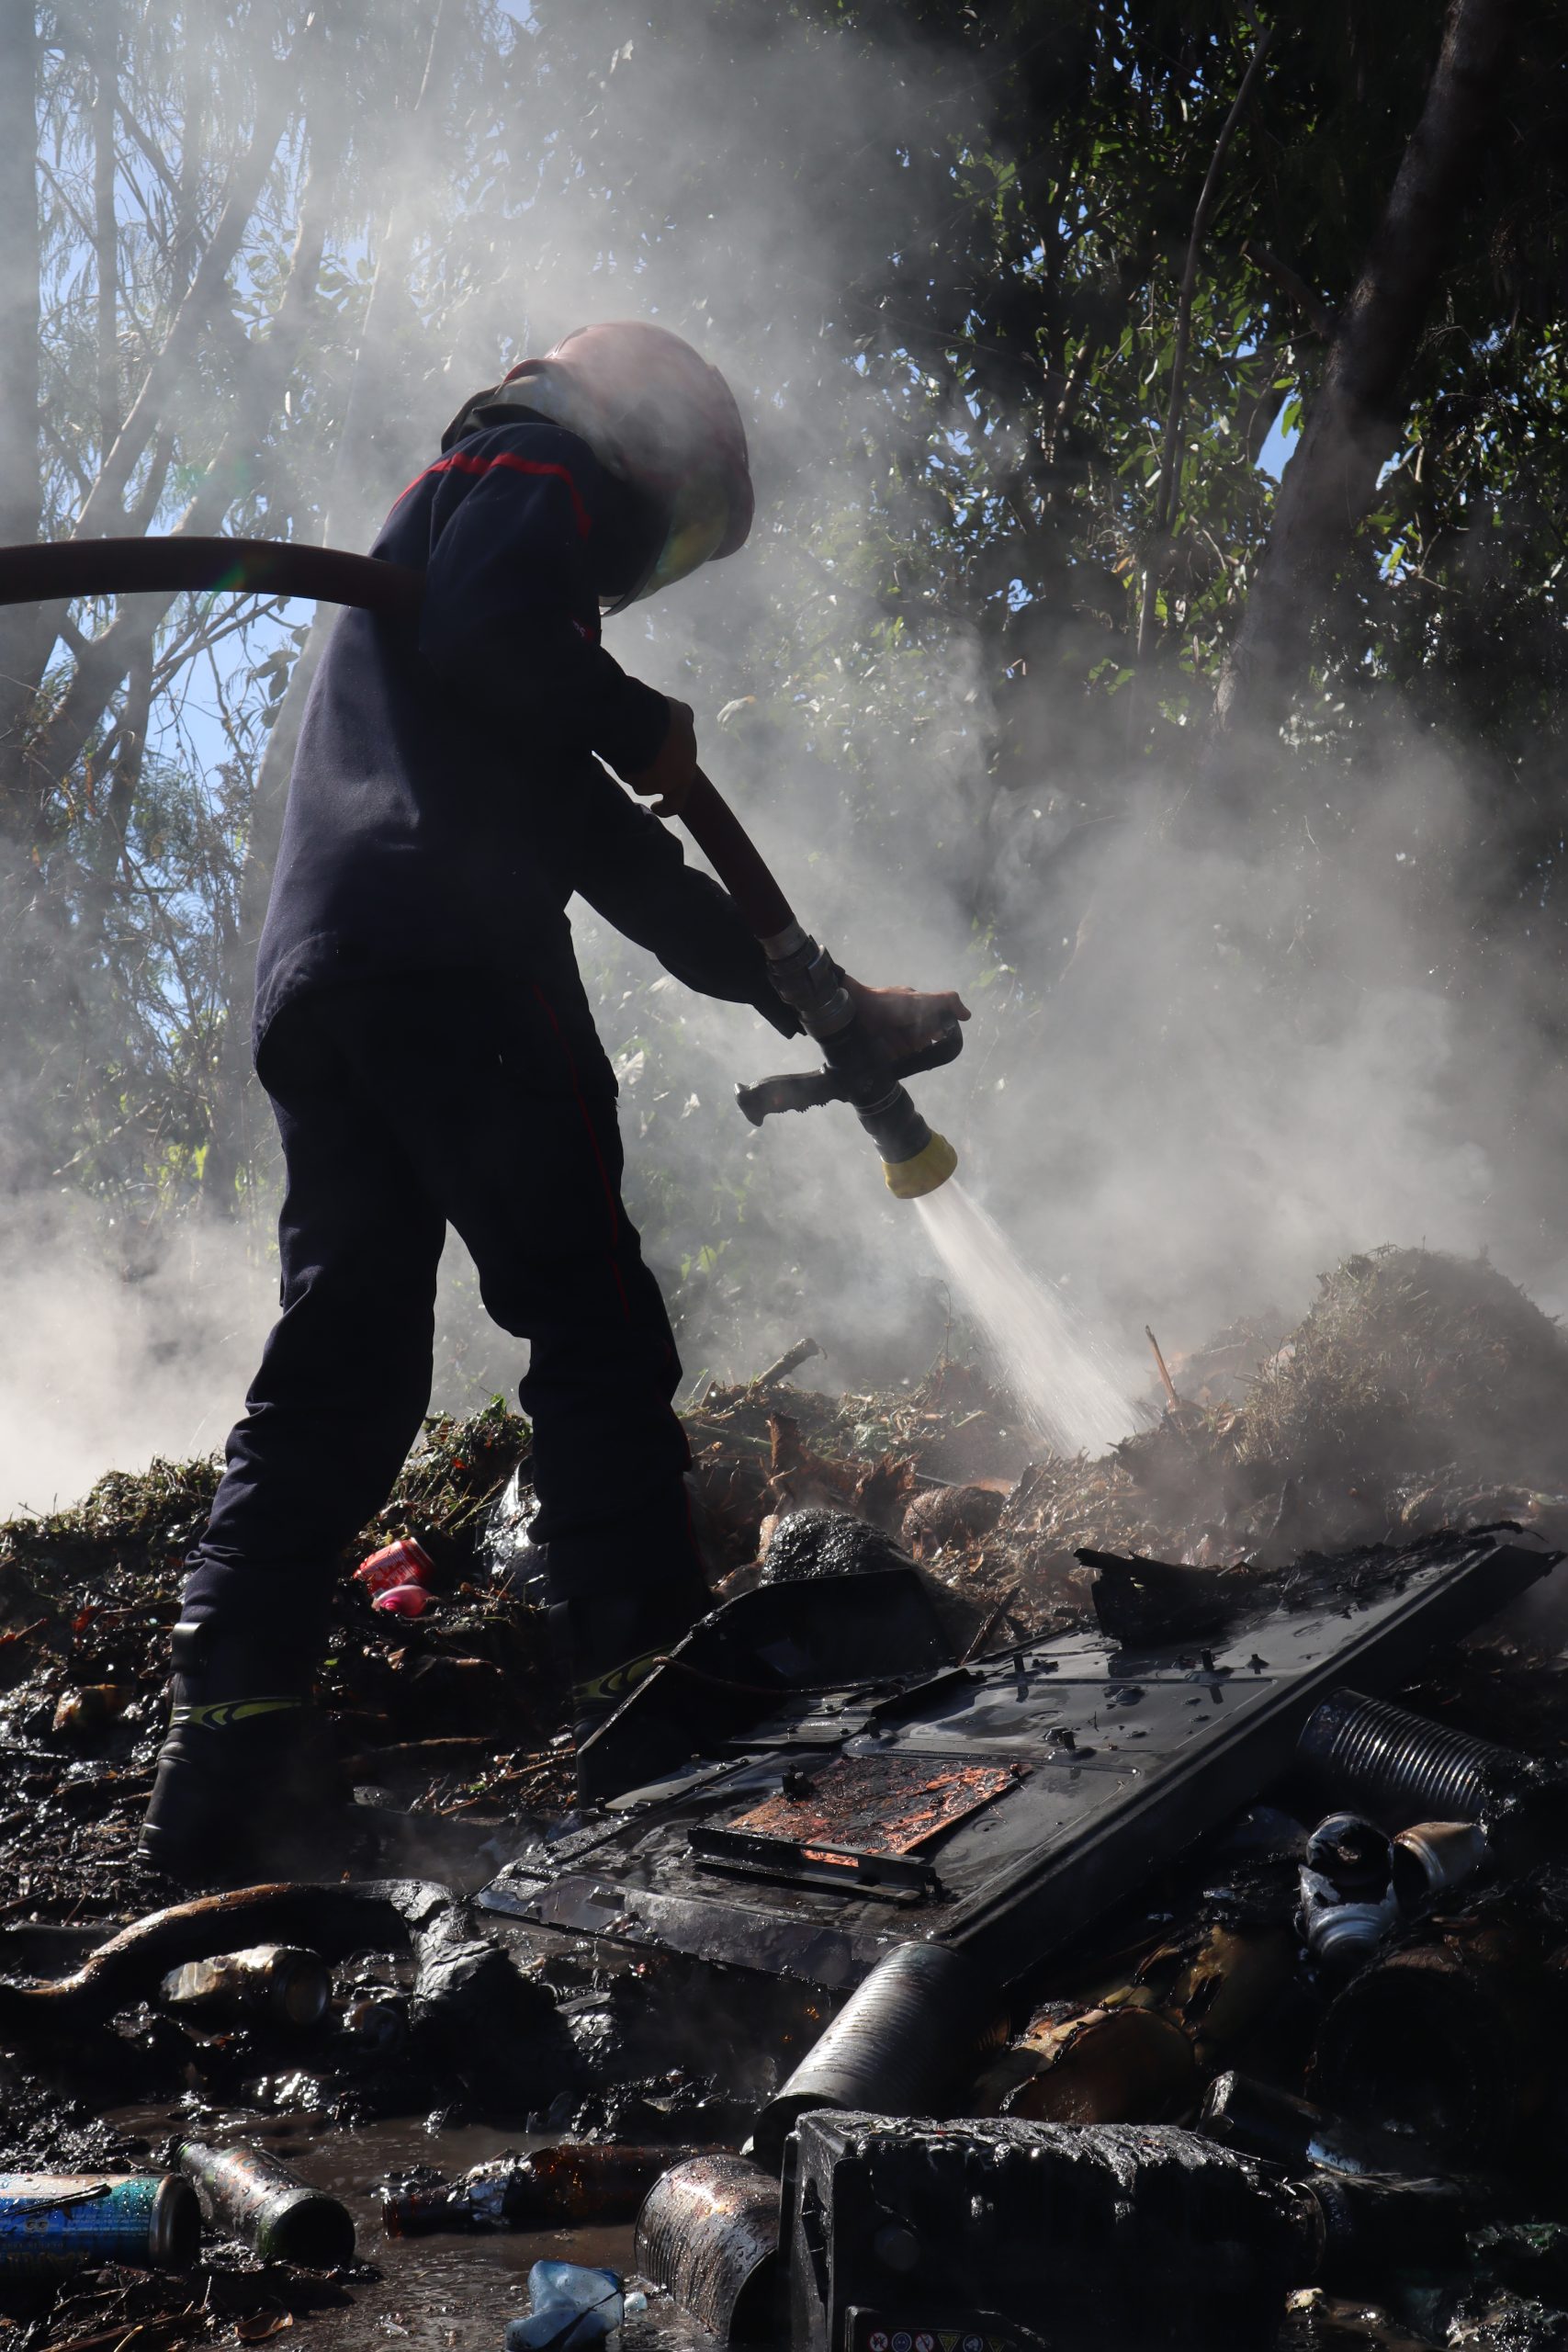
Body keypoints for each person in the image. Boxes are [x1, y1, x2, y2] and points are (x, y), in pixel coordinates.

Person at [139, 321, 967, 1882]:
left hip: (332, 979)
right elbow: (504, 648)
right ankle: (653, 1695)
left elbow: (629, 864)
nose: (653, 557)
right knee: (586, 1315)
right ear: (646, 434)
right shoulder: (530, 459)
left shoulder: (472, 589)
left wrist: (825, 1000)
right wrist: (638, 711)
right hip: (459, 958)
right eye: (690, 519)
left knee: (344, 1365)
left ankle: (225, 1763)